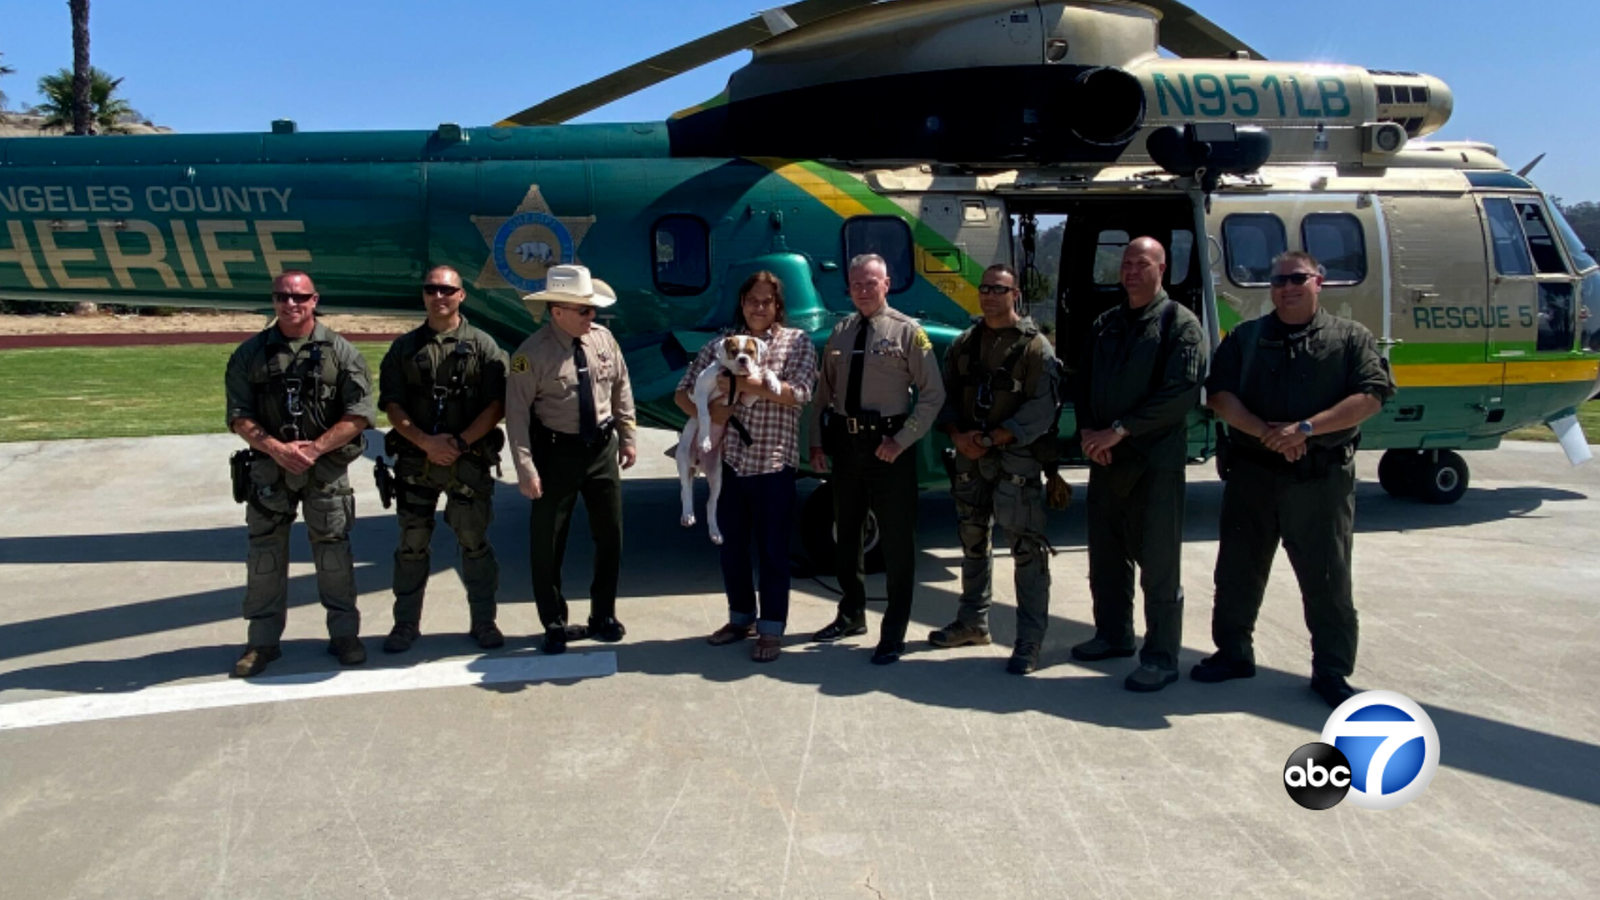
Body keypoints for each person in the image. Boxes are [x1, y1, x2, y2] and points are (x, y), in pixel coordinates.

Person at [1194, 250, 1395, 707]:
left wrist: (1305, 429)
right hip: (1253, 475)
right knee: (1238, 571)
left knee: (1327, 579)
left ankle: (1331, 670)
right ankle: (1232, 652)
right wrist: (1267, 433)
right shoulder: (1245, 338)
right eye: (1279, 279)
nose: (1287, 286)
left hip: (1319, 480)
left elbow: (1372, 395)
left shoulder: (1349, 338)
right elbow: (1219, 396)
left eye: (1297, 278)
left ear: (1318, 281)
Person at [224, 271, 377, 678]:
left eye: (299, 297)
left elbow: (360, 413)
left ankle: (345, 636)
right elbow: (239, 415)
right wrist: (276, 449)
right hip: (269, 473)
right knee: (265, 556)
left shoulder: (341, 352)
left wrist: (314, 449)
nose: (291, 304)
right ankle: (262, 643)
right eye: (282, 297)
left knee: (334, 555)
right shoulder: (249, 354)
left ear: (314, 300)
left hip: (324, 471)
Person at [1071, 238, 1205, 692]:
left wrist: (1120, 430)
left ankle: (1162, 657)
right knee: (1106, 557)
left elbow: (1180, 394)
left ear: (1161, 268)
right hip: (1106, 460)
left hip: (1154, 465)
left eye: (1141, 263)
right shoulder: (1105, 324)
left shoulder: (1179, 325)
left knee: (1159, 564)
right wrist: (1091, 433)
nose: (1130, 271)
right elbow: (1084, 383)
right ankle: (1113, 635)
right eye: (1126, 263)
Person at [808, 253, 946, 665]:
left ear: (887, 284)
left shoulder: (908, 333)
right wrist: (817, 443)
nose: (864, 290)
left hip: (889, 448)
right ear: (848, 288)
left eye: (871, 282)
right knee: (847, 535)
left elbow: (932, 394)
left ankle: (894, 630)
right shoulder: (840, 333)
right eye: (856, 284)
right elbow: (822, 396)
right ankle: (851, 614)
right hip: (847, 448)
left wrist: (902, 439)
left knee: (898, 542)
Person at [676, 272, 818, 662]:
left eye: (766, 301)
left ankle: (771, 629)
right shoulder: (718, 346)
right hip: (729, 464)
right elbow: (683, 393)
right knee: (731, 547)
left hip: (773, 461)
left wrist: (741, 386)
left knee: (773, 550)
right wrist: (712, 411)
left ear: (777, 306)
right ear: (742, 303)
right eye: (752, 300)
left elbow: (800, 393)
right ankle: (740, 619)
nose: (758, 308)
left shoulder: (797, 343)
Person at [928, 263, 1059, 674]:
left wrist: (994, 438)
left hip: (1014, 462)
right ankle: (972, 622)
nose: (989, 295)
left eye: (999, 289)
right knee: (972, 544)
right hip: (970, 460)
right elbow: (944, 397)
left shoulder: (1036, 348)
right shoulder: (965, 345)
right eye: (984, 288)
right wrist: (956, 433)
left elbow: (1042, 411)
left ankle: (1028, 642)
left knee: (1027, 552)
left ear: (1014, 294)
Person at [377, 266, 510, 653]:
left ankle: (484, 621)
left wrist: (459, 442)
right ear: (424, 295)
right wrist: (424, 442)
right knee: (412, 545)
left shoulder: (484, 346)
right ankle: (405, 624)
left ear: (461, 295)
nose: (440, 296)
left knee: (474, 542)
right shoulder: (404, 349)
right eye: (432, 289)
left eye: (447, 290)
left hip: (466, 462)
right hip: (416, 463)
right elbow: (392, 404)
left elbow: (496, 404)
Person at [505, 265, 638, 655]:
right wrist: (526, 470)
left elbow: (622, 388)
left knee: (610, 535)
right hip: (555, 453)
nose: (591, 316)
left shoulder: (603, 340)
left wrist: (627, 438)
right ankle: (554, 622)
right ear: (557, 311)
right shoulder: (530, 356)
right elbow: (516, 416)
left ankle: (604, 614)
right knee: (548, 542)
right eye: (583, 310)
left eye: (591, 309)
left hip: (601, 450)